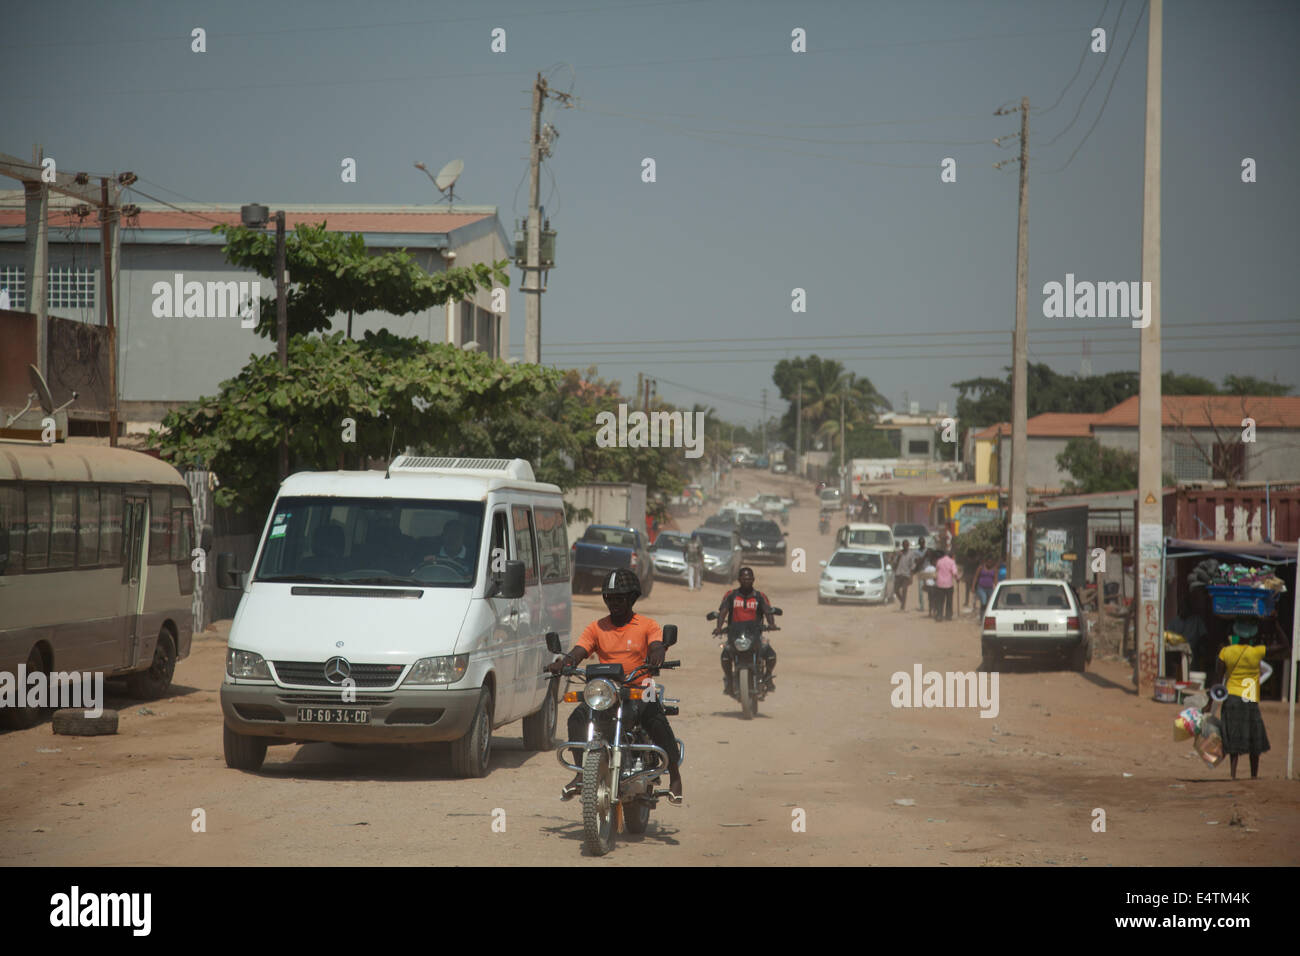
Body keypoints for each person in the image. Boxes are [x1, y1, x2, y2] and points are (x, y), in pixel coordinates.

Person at [547, 568, 683, 803]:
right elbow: (579, 651)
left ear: (632, 598)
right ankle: (582, 774)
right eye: (609, 598)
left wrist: (657, 655)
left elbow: (656, 645)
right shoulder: (596, 628)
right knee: (576, 719)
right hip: (606, 691)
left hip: (638, 689)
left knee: (655, 716)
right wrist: (565, 662)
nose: (613, 603)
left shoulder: (647, 625)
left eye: (619, 598)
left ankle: (675, 776)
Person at [1213, 617, 1270, 780]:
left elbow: (1218, 680)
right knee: (1254, 738)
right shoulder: (1257, 651)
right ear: (1252, 635)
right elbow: (1286, 647)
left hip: (1231, 698)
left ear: (1235, 632)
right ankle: (1254, 775)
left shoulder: (1226, 651)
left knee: (1234, 738)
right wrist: (1275, 624)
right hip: (1250, 698)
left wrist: (1210, 703)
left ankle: (1233, 774)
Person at [714, 566, 779, 693]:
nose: (746, 581)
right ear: (739, 579)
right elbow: (723, 611)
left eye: (749, 578)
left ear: (753, 579)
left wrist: (772, 624)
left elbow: (767, 611)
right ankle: (729, 680)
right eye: (744, 578)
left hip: (755, 635)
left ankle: (767, 677)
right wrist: (718, 627)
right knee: (725, 656)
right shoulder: (731, 595)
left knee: (771, 655)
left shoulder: (760, 596)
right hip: (735, 635)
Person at [893, 540, 918, 611]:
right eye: (904, 545)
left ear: (908, 546)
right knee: (896, 590)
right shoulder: (899, 553)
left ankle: (903, 606)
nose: (905, 546)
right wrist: (898, 557)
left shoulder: (911, 554)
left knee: (904, 589)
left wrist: (911, 575)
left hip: (906, 575)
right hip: (898, 573)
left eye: (906, 545)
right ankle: (902, 601)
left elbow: (913, 565)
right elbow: (894, 563)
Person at [934, 550, 958, 621]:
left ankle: (939, 615)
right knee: (949, 601)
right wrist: (957, 579)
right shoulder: (952, 562)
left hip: (940, 584)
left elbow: (936, 571)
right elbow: (954, 573)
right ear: (952, 556)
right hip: (949, 584)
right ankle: (948, 615)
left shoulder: (939, 561)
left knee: (940, 601)